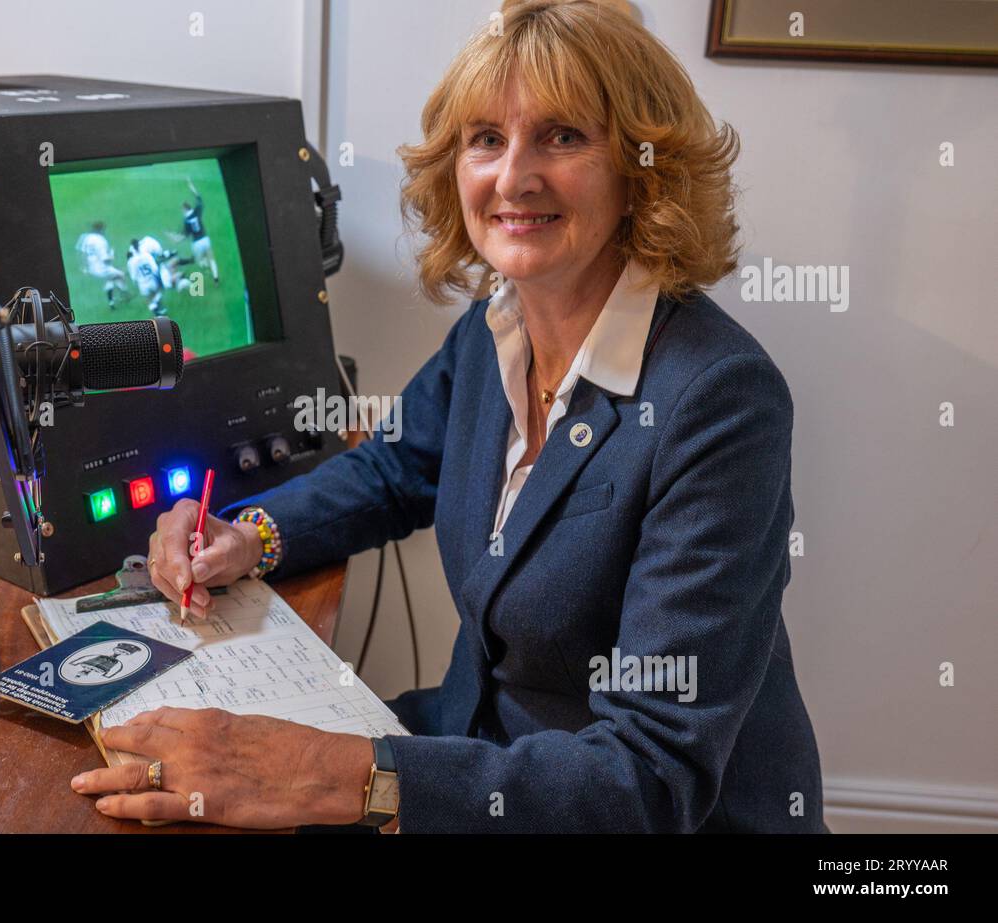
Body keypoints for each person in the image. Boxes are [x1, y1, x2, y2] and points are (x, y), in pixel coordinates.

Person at [70, 0, 825, 833]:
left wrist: (337, 774)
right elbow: (393, 467)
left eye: (564, 136)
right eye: (486, 140)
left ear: (643, 170)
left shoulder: (720, 398)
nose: (514, 178)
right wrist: (247, 534)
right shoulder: (496, 328)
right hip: (474, 743)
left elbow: (648, 773)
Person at [75, 221, 127, 308]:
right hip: (102, 269)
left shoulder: (86, 237)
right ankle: (124, 293)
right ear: (100, 230)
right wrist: (112, 255)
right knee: (121, 274)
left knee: (110, 279)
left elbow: (81, 252)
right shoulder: (101, 241)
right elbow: (106, 260)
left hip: (91, 268)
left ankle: (111, 302)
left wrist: (83, 266)